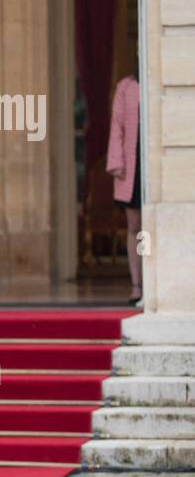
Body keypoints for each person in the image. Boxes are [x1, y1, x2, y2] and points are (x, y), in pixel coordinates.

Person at [107, 73, 142, 306]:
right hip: (132, 167)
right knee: (135, 227)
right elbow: (117, 126)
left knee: (151, 229)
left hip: (153, 166)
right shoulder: (126, 87)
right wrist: (117, 163)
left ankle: (155, 283)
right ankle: (137, 285)